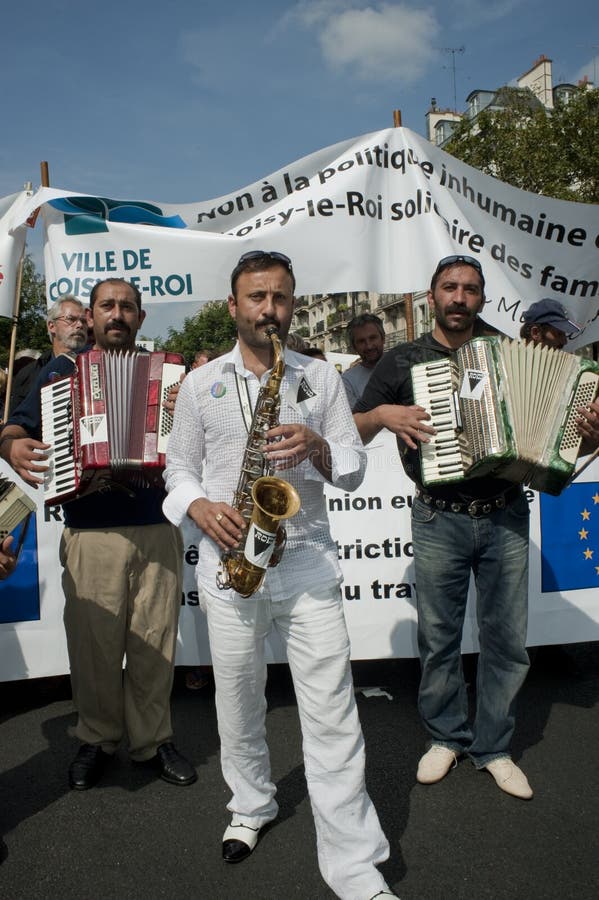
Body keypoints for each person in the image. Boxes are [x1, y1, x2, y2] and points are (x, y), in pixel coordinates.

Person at [163, 251, 396, 900]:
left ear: (292, 304)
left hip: (307, 564)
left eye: (280, 298)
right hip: (231, 569)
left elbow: (352, 468)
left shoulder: (319, 377)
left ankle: (354, 865)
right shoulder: (201, 384)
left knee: (333, 716)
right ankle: (251, 805)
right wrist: (199, 507)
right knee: (237, 703)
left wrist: (318, 446)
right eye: (257, 297)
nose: (269, 309)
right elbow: (177, 469)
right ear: (233, 306)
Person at [0, 278, 196, 792]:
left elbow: (198, 441)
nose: (117, 314)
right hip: (90, 532)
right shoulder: (59, 373)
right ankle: (97, 738)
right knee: (94, 649)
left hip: (157, 527)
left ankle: (153, 740)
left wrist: (185, 417)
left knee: (155, 644)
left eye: (127, 306)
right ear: (90, 316)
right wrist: (11, 446)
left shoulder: (169, 374)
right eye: (107, 305)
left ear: (140, 317)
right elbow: (16, 428)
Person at [354, 255, 536, 801]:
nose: (460, 297)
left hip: (505, 511)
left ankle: (495, 746)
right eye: (450, 287)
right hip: (437, 515)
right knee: (439, 638)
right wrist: (382, 415)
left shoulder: (507, 352)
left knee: (507, 640)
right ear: (431, 295)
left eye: (470, 289)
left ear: (481, 298)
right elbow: (353, 428)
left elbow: (548, 427)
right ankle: (446, 737)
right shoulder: (400, 360)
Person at [8, 296, 88, 414]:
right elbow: (18, 420)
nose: (80, 325)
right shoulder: (28, 375)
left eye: (84, 321)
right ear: (52, 326)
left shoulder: (98, 365)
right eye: (71, 319)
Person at [341, 313, 386, 408]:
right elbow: (354, 416)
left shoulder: (402, 366)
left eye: (373, 338)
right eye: (361, 341)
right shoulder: (347, 381)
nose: (369, 346)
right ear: (354, 347)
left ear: (383, 338)